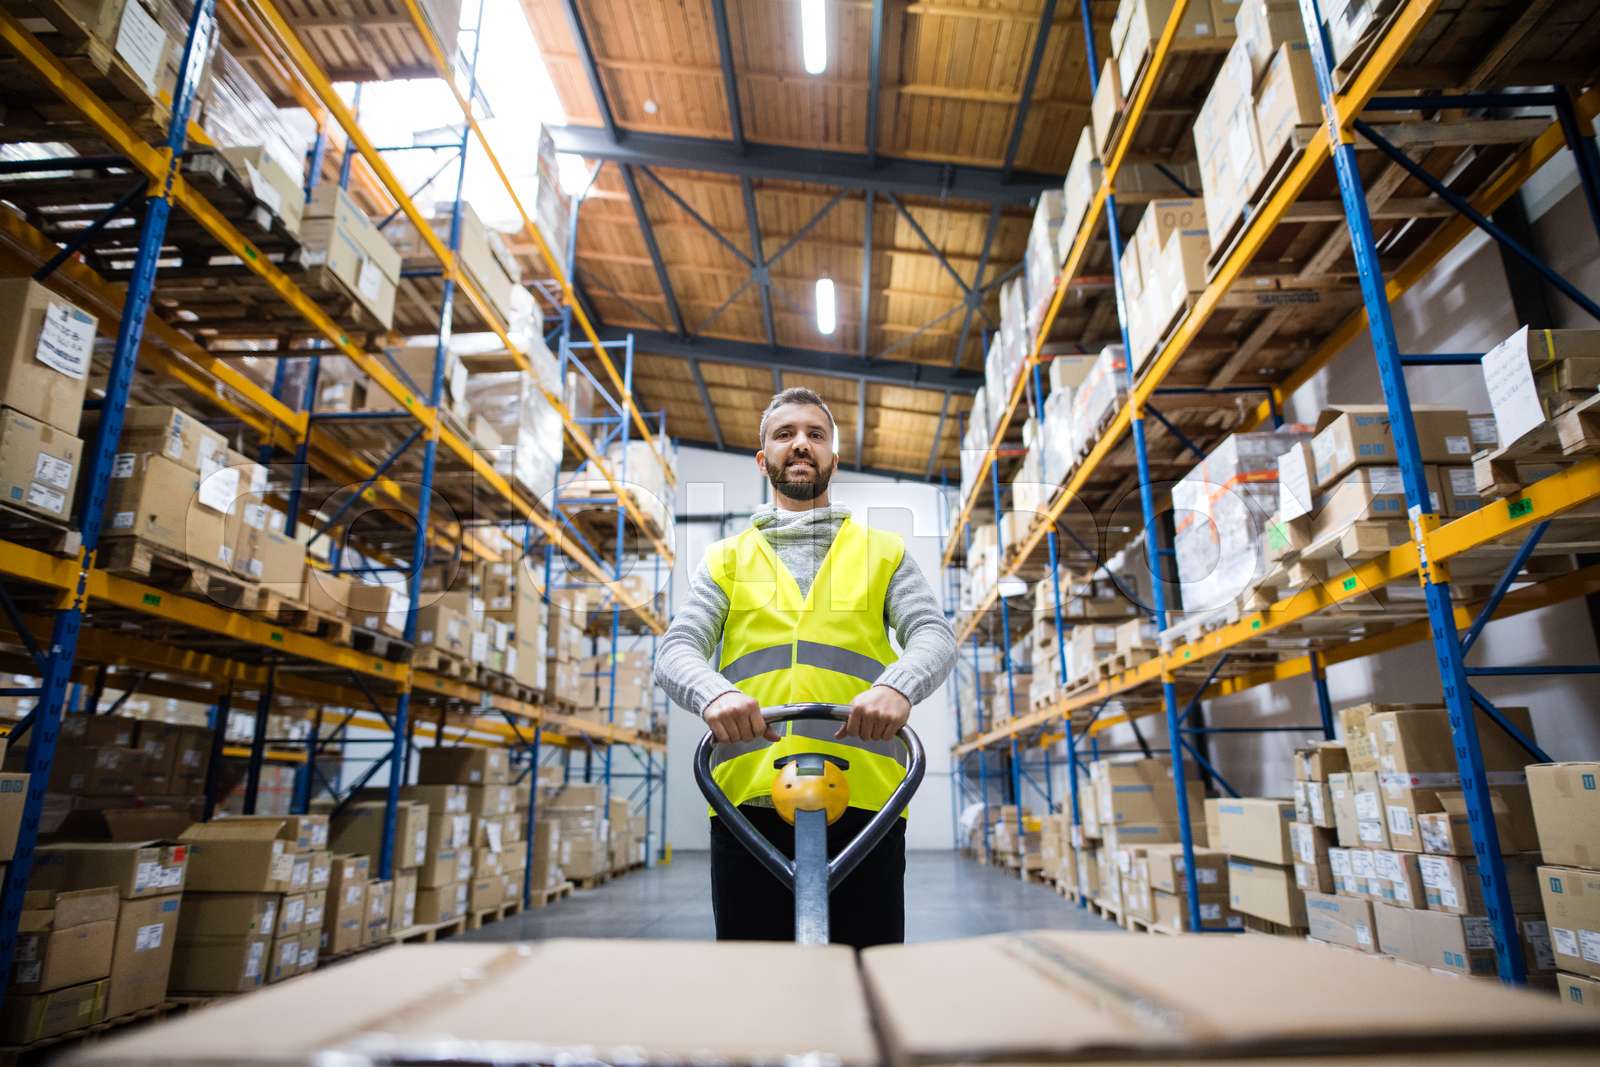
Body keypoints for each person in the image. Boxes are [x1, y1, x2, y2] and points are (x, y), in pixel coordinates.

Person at [655, 387, 957, 947]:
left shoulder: (883, 552)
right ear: (762, 457)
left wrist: (899, 685)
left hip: (868, 799)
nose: (801, 445)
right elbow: (676, 650)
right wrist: (713, 694)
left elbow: (933, 636)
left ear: (834, 460)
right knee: (755, 975)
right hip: (748, 800)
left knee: (868, 968)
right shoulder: (725, 558)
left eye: (816, 435)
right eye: (785, 434)